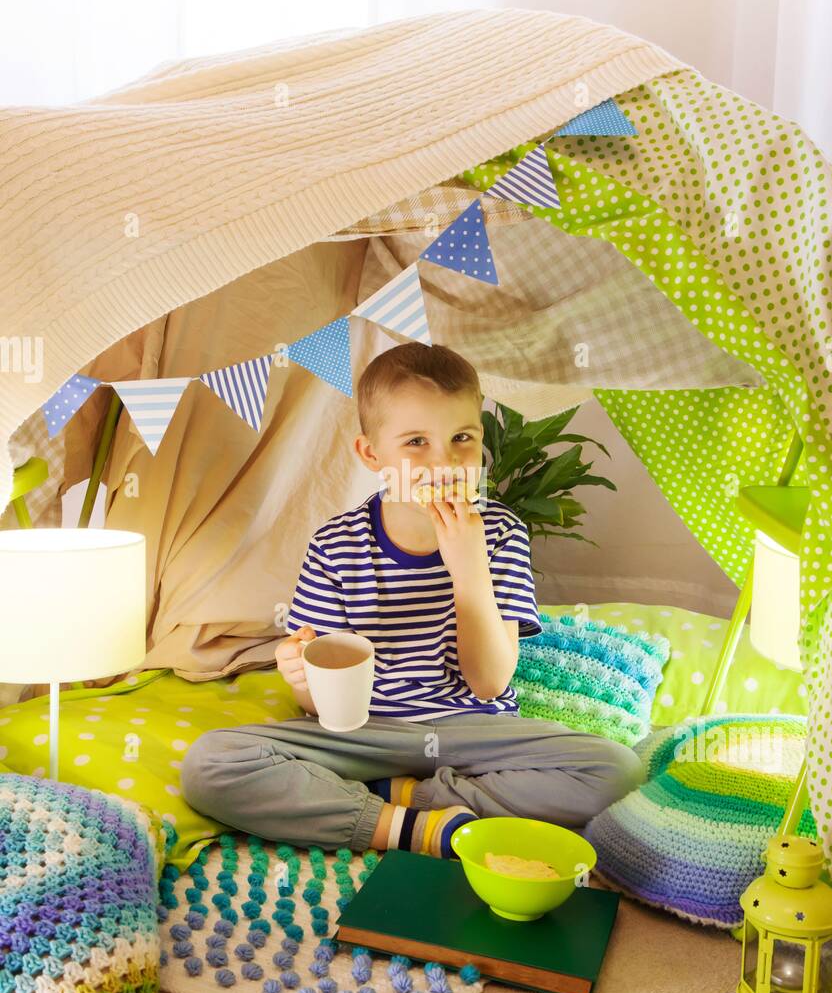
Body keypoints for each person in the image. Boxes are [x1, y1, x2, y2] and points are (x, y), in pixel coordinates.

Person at [181, 342, 643, 858]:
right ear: (371, 455)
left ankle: (406, 798)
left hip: (473, 733)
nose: (443, 462)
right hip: (365, 734)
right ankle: (416, 830)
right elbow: (318, 708)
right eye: (416, 442)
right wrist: (302, 679)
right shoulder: (335, 544)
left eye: (461, 438)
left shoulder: (500, 533)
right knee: (212, 763)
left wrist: (469, 568)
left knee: (617, 770)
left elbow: (489, 683)